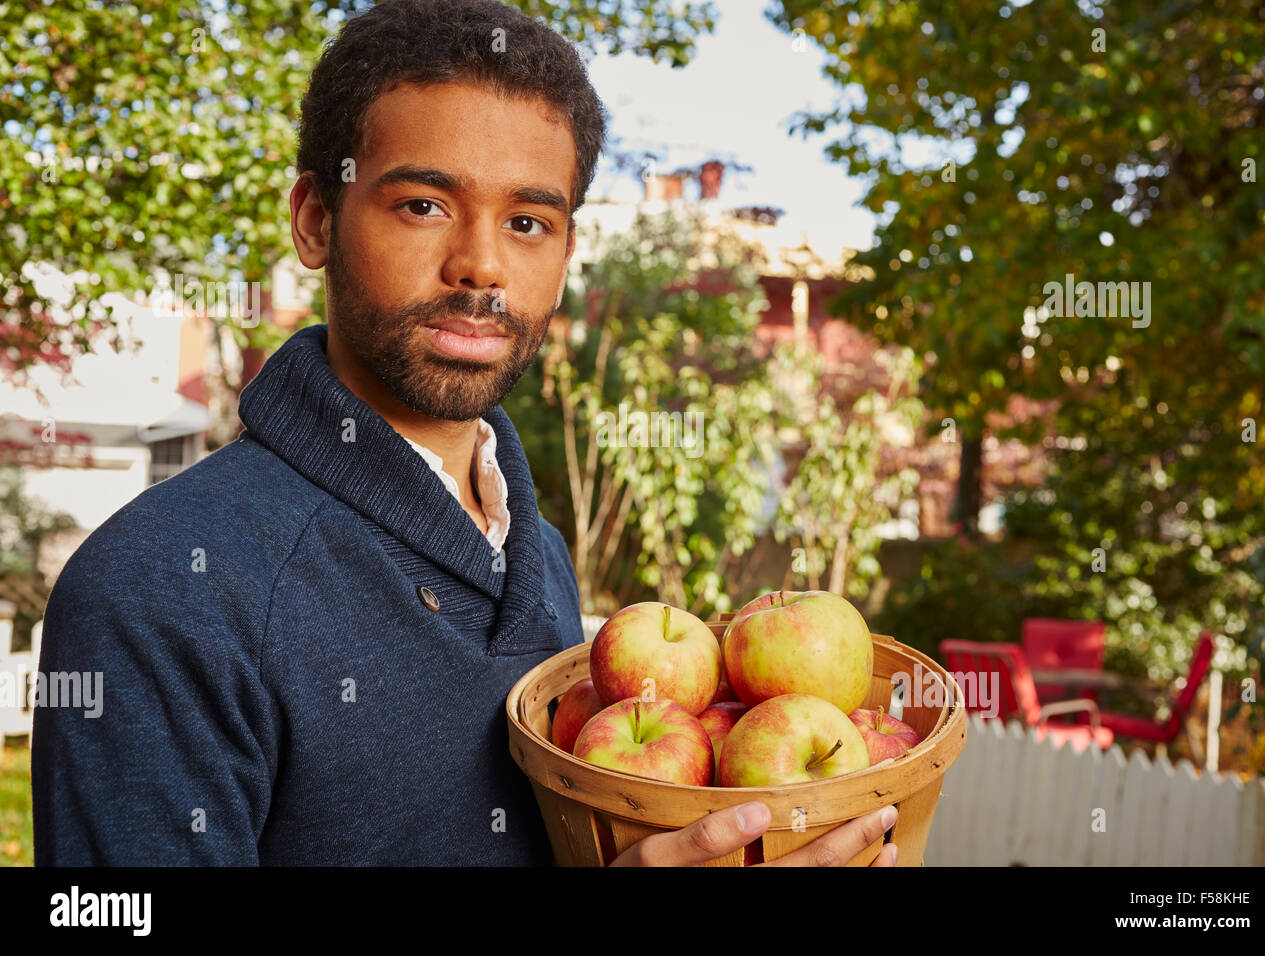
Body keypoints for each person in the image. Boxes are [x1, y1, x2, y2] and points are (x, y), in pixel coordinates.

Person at [32, 0, 898, 867]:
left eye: (528, 222)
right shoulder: (157, 587)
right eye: (422, 204)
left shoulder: (539, 556)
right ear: (315, 219)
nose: (481, 266)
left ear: (564, 260)